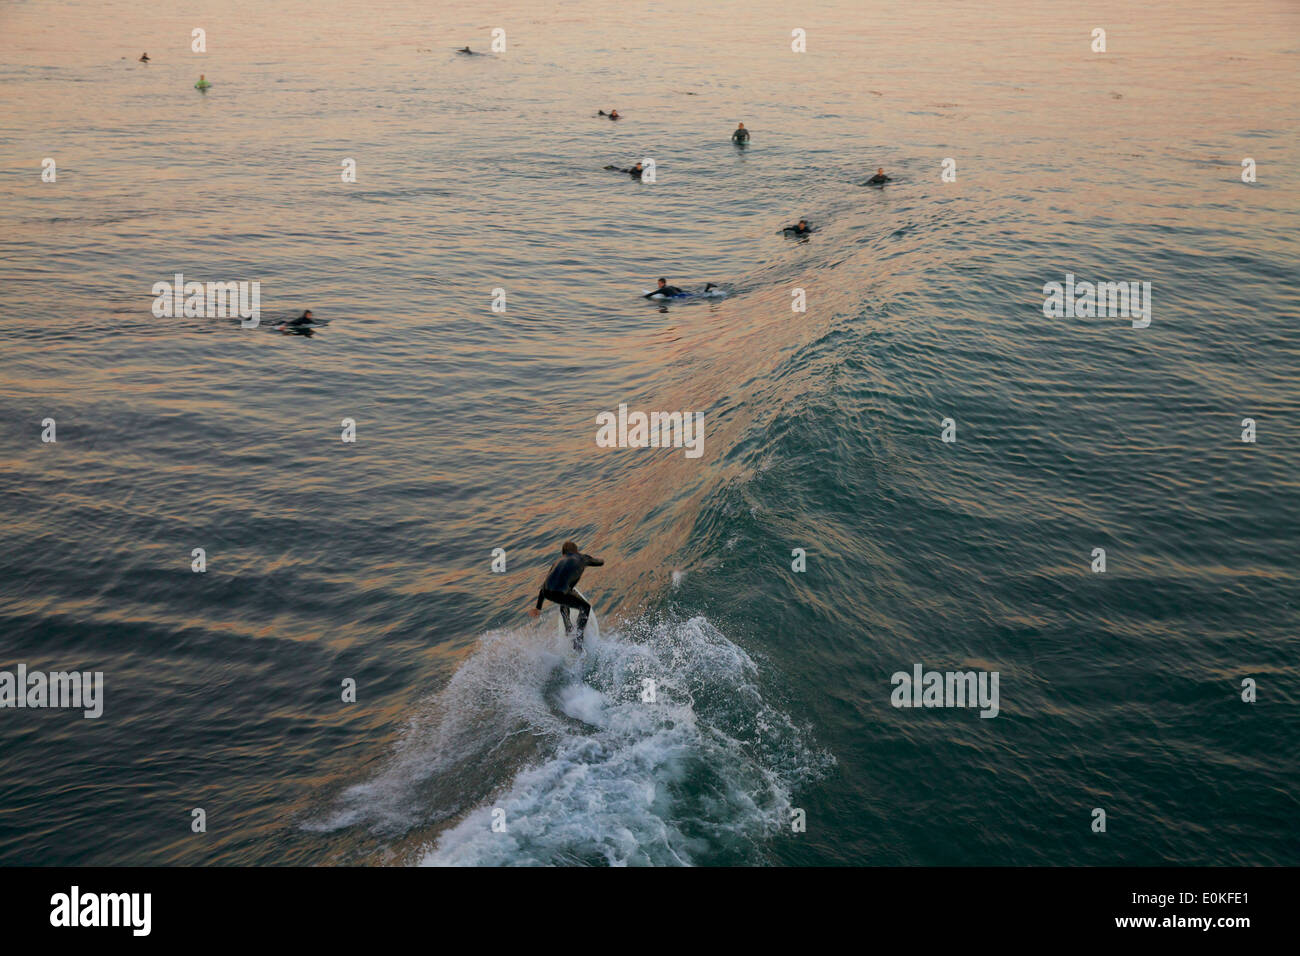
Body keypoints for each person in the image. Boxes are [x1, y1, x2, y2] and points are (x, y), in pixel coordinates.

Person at [528, 541, 604, 648]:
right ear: (576, 550)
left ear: (563, 553)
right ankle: (578, 639)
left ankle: (568, 629)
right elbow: (600, 562)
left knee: (564, 601)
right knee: (585, 607)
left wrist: (538, 608)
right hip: (562, 592)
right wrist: (597, 558)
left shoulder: (557, 561)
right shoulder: (582, 557)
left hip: (546, 591)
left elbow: (544, 585)